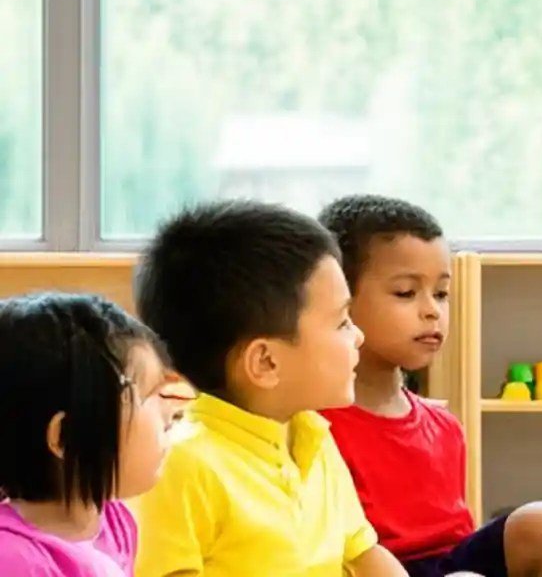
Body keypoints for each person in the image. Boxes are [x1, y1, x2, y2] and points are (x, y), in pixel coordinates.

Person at [129, 200, 408, 576]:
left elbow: (362, 553)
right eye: (342, 322)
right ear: (266, 363)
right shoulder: (182, 463)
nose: (358, 337)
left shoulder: (312, 436)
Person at [317, 194, 542, 577]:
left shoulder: (443, 425)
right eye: (406, 293)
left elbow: (460, 545)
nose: (432, 310)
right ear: (341, 300)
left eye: (441, 293)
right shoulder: (313, 425)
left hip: (452, 568)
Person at [0, 292, 174, 576]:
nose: (169, 415)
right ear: (66, 437)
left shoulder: (115, 518)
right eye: (150, 396)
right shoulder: (14, 560)